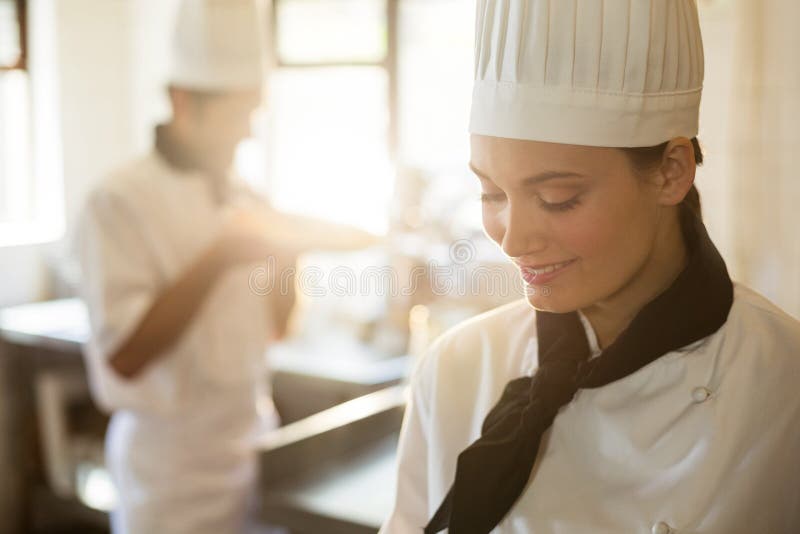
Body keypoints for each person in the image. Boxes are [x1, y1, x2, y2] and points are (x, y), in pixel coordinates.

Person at [381, 1, 800, 533]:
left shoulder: (786, 385)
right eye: (491, 193)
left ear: (671, 172)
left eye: (558, 198)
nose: (513, 238)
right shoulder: (459, 367)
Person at [77, 1, 375, 532]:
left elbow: (279, 328)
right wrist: (221, 256)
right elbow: (123, 356)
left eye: (254, 113)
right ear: (182, 100)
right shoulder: (117, 201)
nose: (248, 133)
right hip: (167, 476)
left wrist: (288, 250)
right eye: (238, 115)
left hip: (251, 449)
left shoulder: (245, 194)